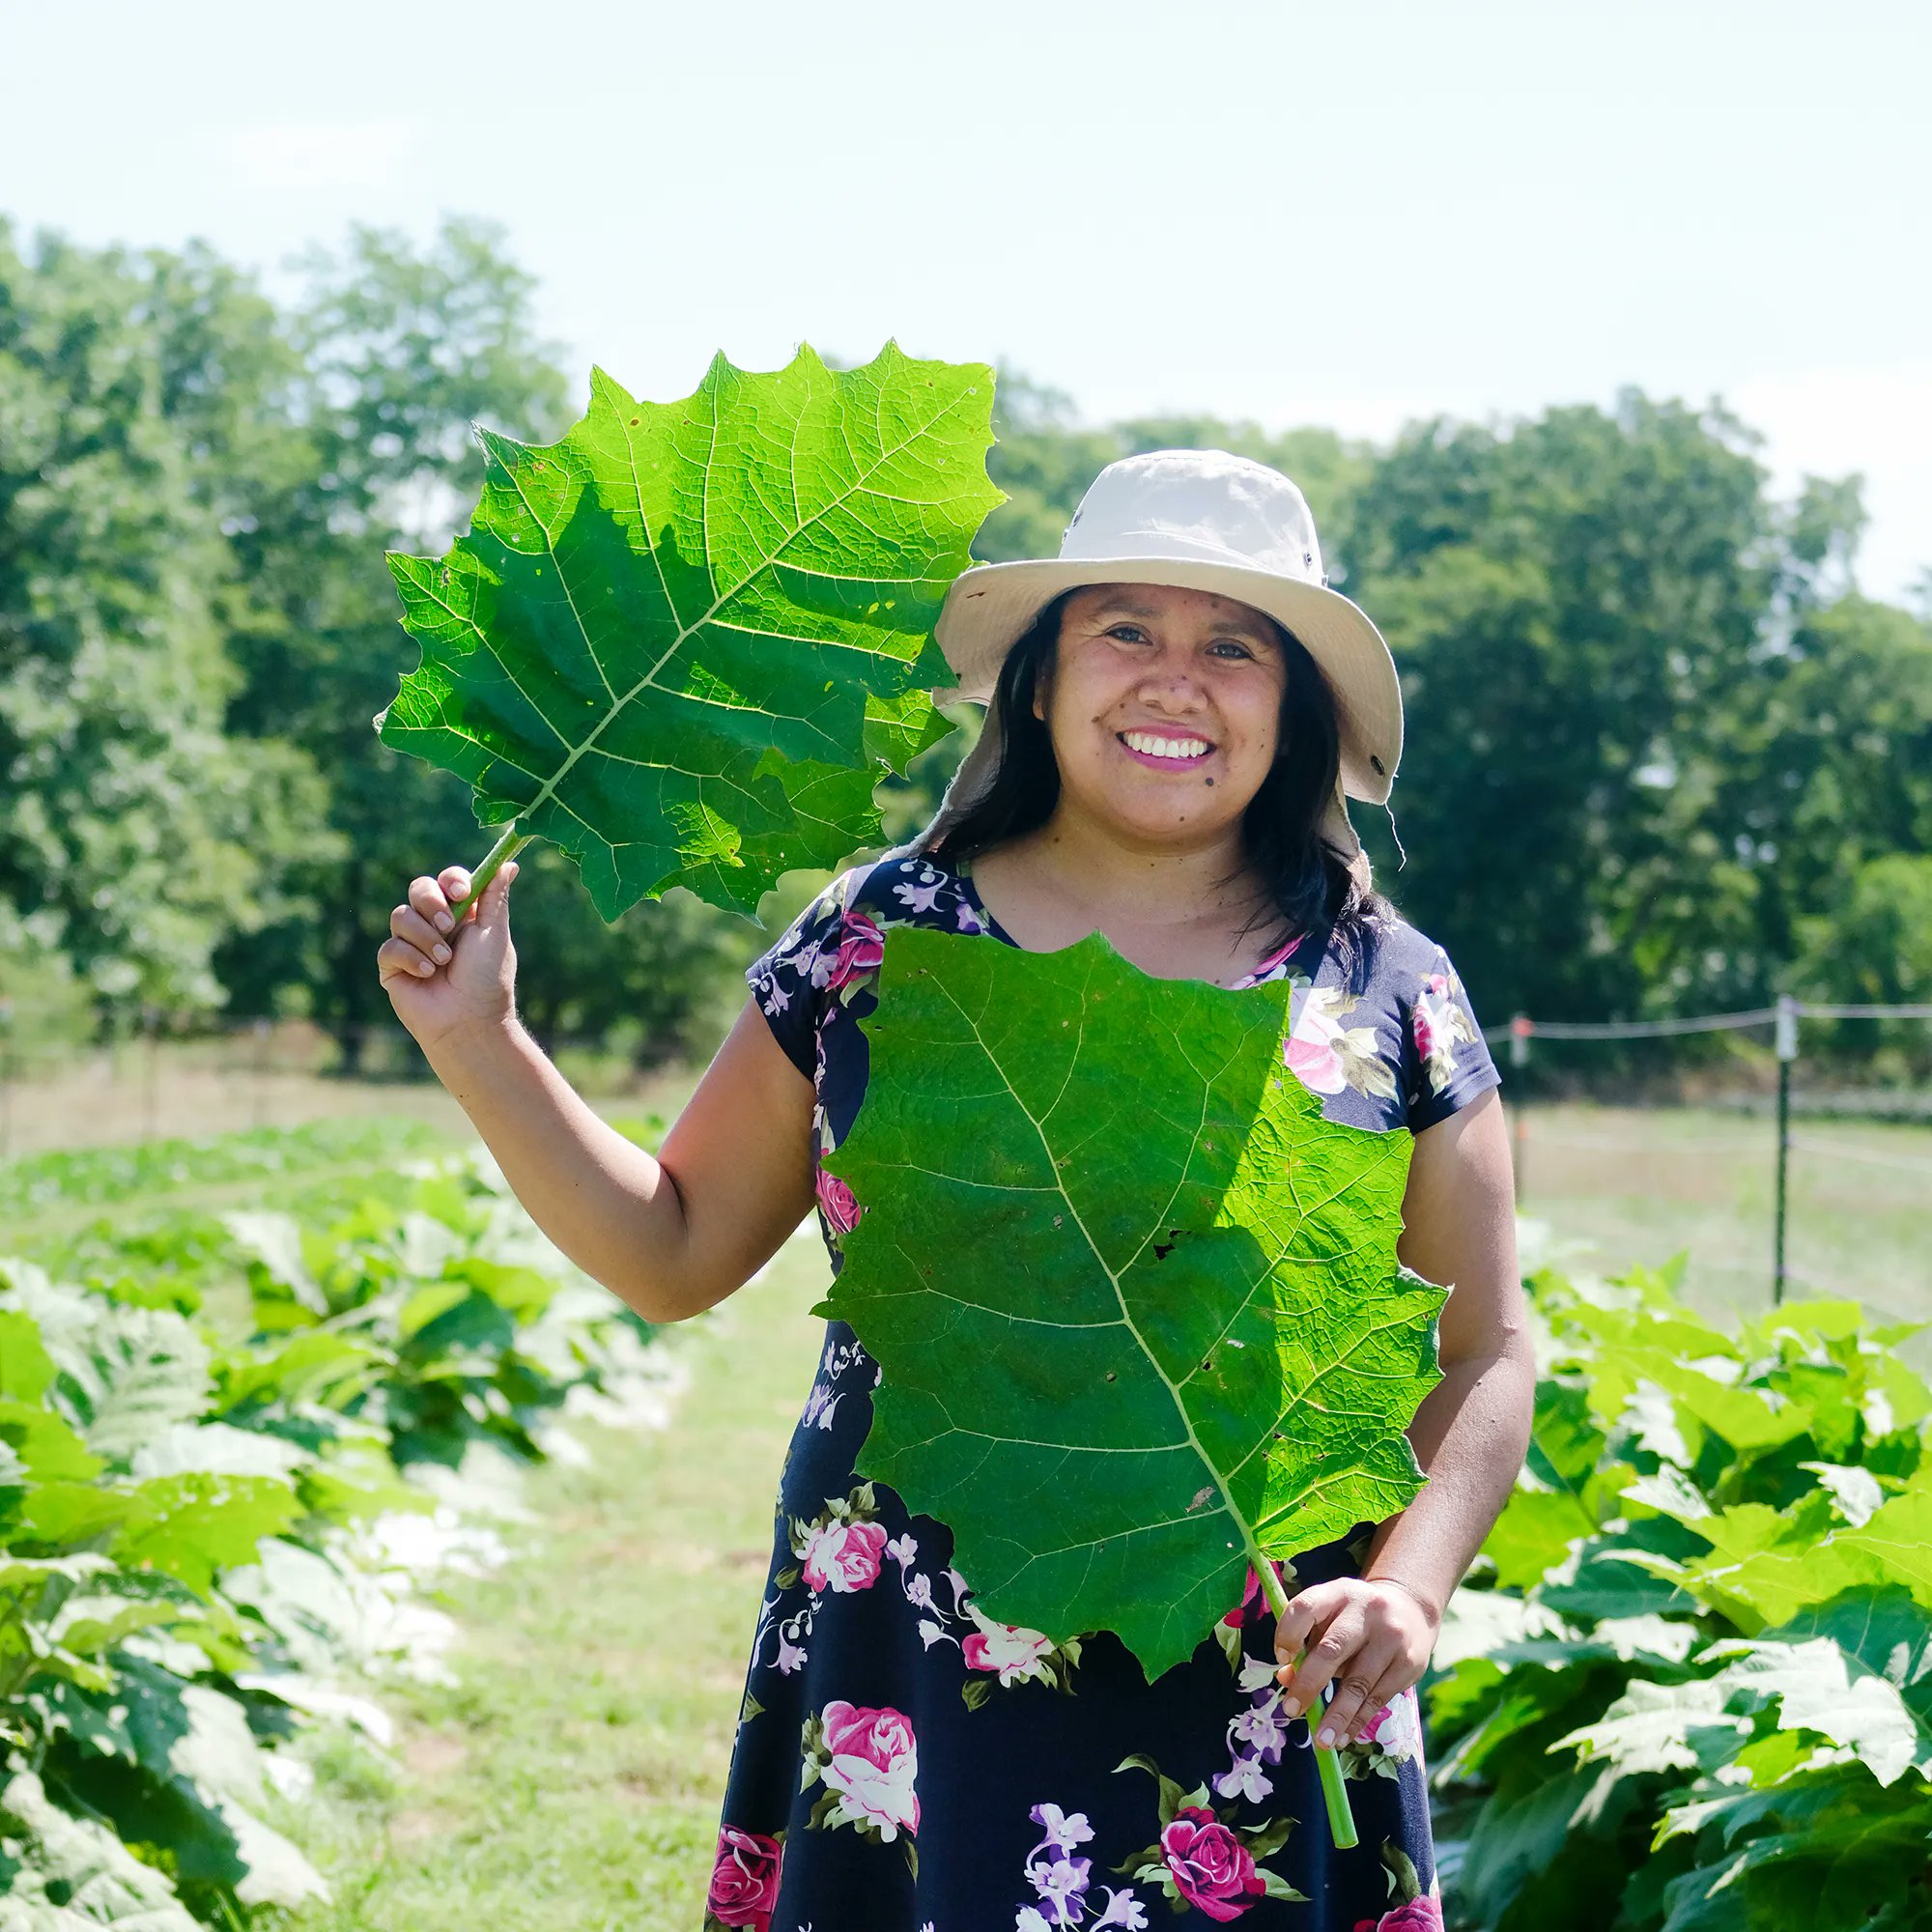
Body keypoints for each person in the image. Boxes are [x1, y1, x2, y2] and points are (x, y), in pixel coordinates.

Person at [379, 449, 1535, 1930]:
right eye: (1125, 629)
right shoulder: (879, 934)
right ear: (1039, 680)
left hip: (1262, 1678)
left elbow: (1490, 1350)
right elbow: (670, 1251)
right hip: (915, 1665)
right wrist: (479, 1037)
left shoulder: (1390, 988)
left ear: (1297, 708)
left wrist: (1413, 1590)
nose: (1175, 681)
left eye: (1233, 647)